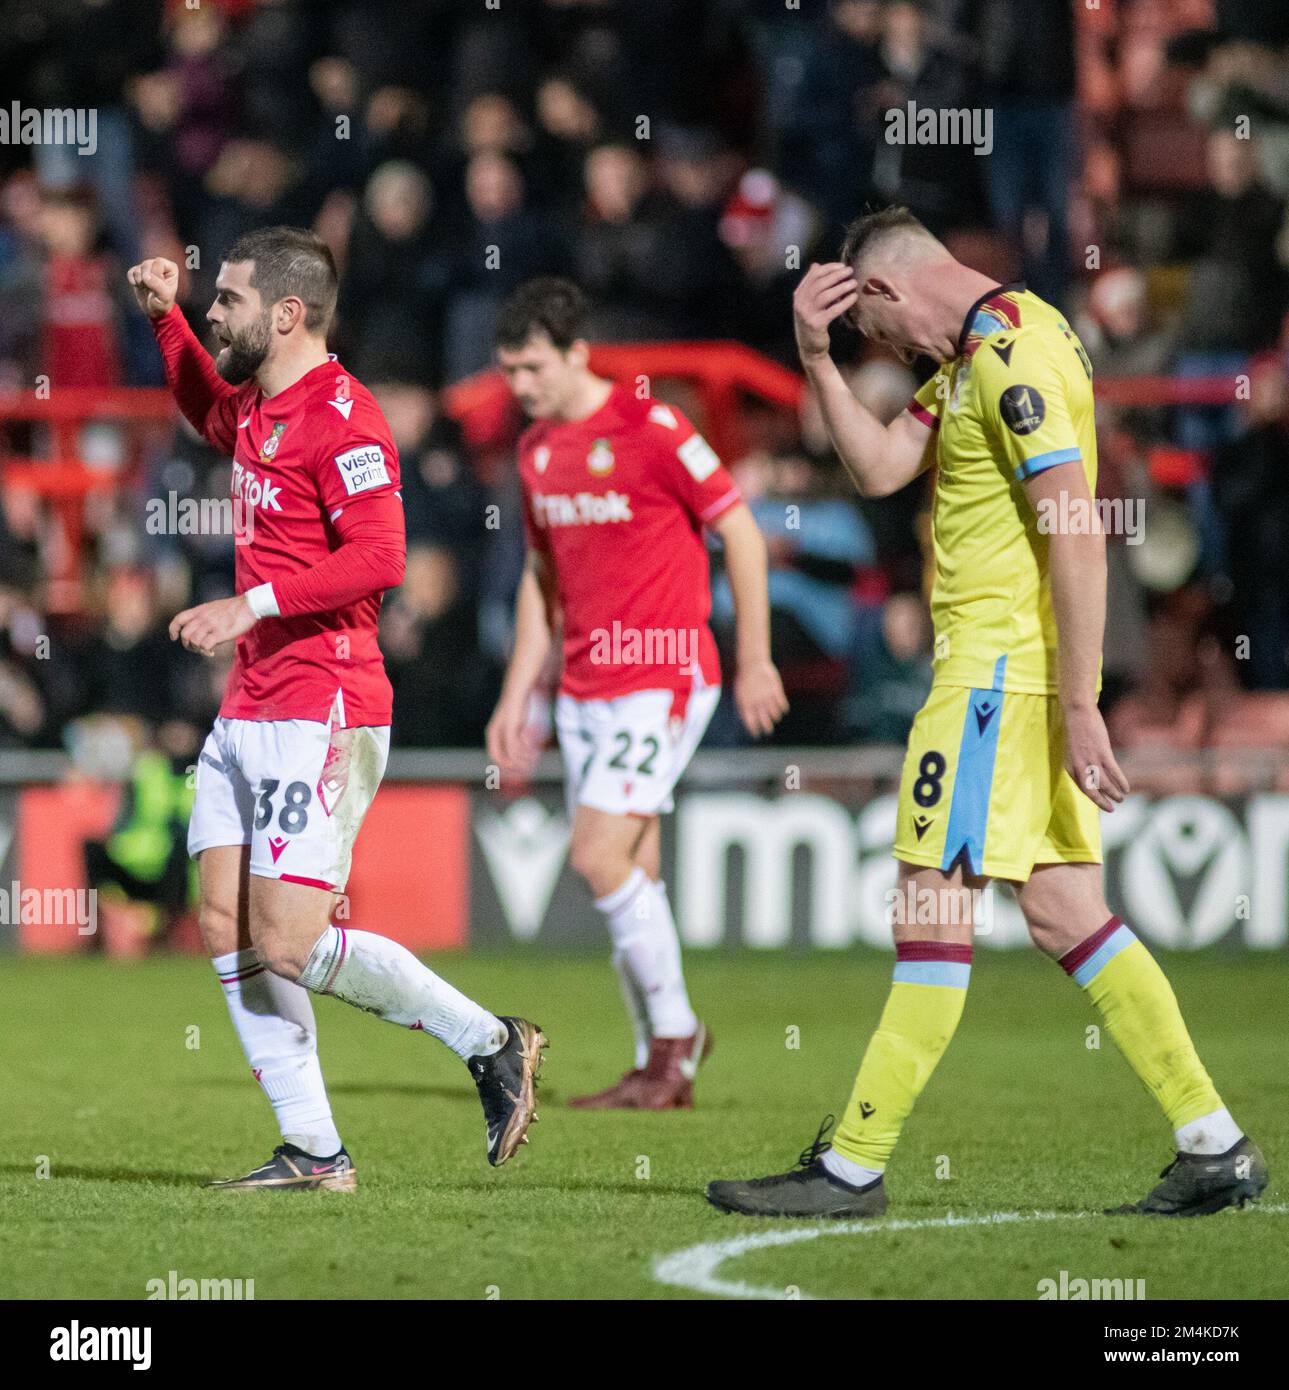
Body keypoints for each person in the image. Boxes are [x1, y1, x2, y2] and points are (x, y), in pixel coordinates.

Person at [707, 207, 1267, 1218]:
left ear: (881, 291)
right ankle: (1211, 1144)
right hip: (1014, 686)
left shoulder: (1003, 360)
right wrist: (813, 359)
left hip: (992, 687)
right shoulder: (999, 340)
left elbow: (1076, 531)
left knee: (927, 906)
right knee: (1063, 911)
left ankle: (852, 1165)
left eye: (873, 334)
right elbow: (879, 467)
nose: (888, 351)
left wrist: (1083, 703)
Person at [128, 228, 545, 1190]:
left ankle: (488, 1041)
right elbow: (207, 411)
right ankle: (314, 1150)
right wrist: (167, 325)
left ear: (285, 313)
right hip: (251, 705)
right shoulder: (264, 407)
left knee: (287, 940)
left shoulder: (346, 418)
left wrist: (251, 605)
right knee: (227, 924)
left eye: (225, 300)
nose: (213, 310)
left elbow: (380, 557)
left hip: (322, 703)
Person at [487, 277, 787, 1109]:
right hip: (584, 686)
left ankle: (672, 1043)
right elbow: (541, 580)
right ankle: (667, 1060)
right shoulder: (535, 453)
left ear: (578, 353)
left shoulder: (654, 427)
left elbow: (739, 532)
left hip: (664, 674)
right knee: (634, 869)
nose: (520, 387)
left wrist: (755, 659)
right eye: (509, 371)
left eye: (533, 368)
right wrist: (519, 692)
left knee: (595, 854)